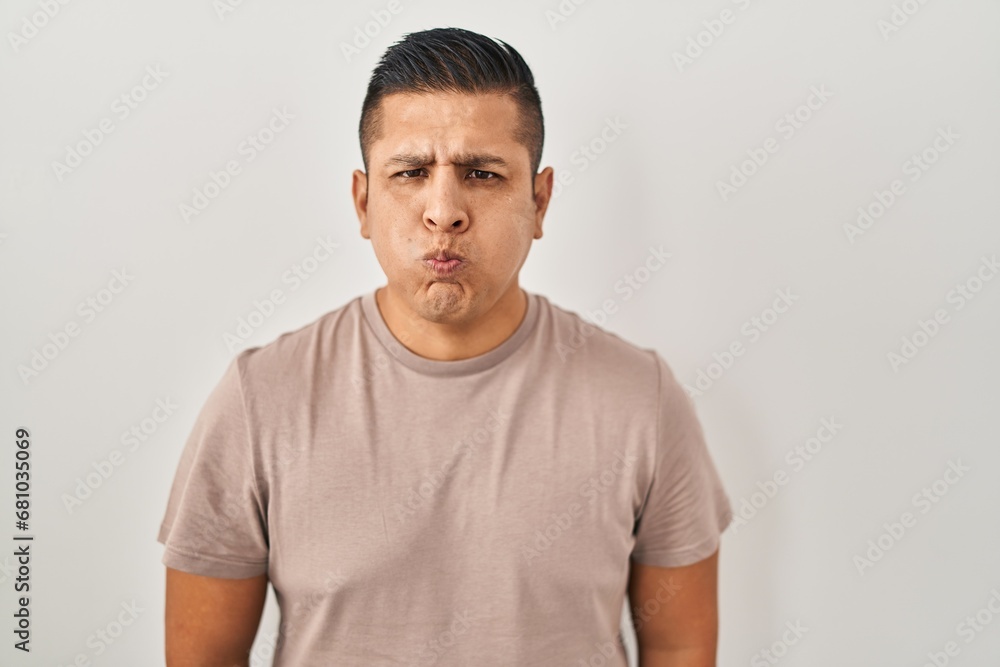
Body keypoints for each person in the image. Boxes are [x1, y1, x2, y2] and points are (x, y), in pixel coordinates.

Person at [158, 26, 733, 667]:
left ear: (539, 202)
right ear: (364, 200)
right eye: (410, 173)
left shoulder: (640, 400)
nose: (444, 211)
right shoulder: (260, 401)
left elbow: (679, 646)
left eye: (483, 173)